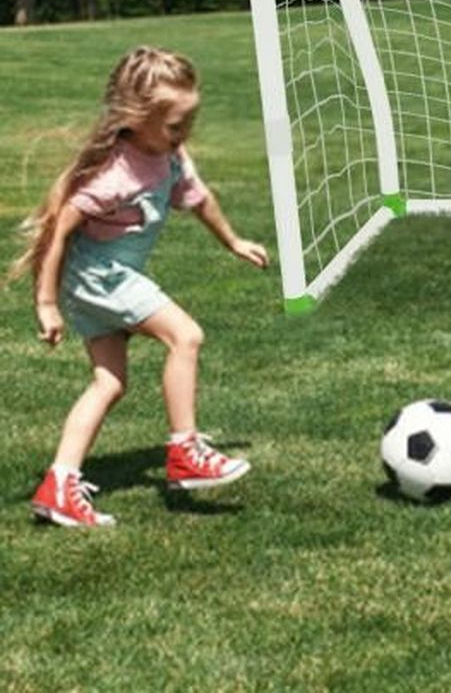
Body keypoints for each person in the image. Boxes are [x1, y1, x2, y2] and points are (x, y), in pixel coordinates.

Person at [12, 46, 269, 528]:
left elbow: (198, 198)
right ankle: (185, 452)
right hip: (100, 277)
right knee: (185, 336)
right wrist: (45, 302)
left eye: (190, 122)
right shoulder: (117, 173)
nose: (184, 134)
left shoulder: (169, 154)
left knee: (109, 383)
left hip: (93, 282)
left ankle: (59, 485)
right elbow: (58, 228)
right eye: (175, 125)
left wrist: (233, 241)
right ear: (134, 119)